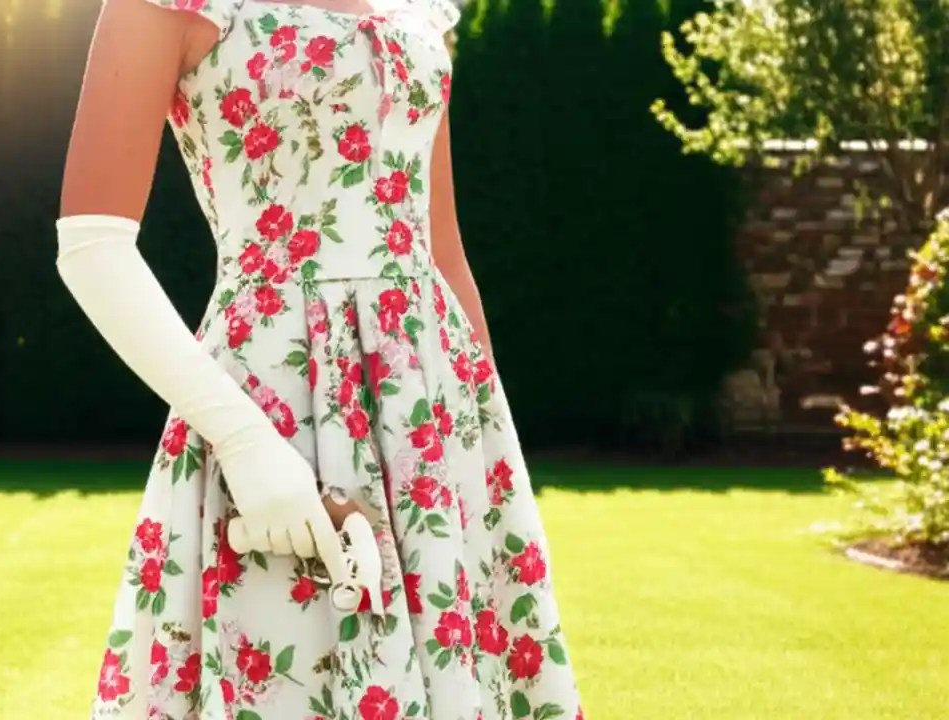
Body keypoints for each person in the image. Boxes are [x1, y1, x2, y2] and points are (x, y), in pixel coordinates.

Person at [54, 0, 586, 716]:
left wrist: (488, 460)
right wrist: (242, 441)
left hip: (435, 419)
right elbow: (92, 248)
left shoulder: (416, 9)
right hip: (275, 398)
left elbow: (443, 256)